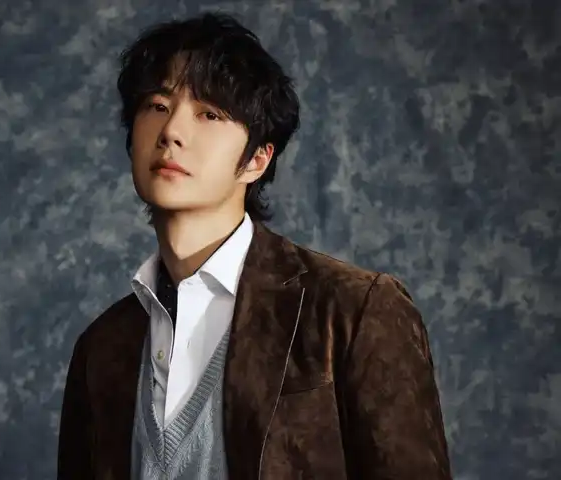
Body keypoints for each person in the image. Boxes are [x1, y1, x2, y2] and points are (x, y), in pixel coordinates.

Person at [57, 12, 452, 480]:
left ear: (257, 160)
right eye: (157, 105)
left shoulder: (353, 310)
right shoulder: (102, 347)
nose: (171, 132)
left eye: (209, 113)